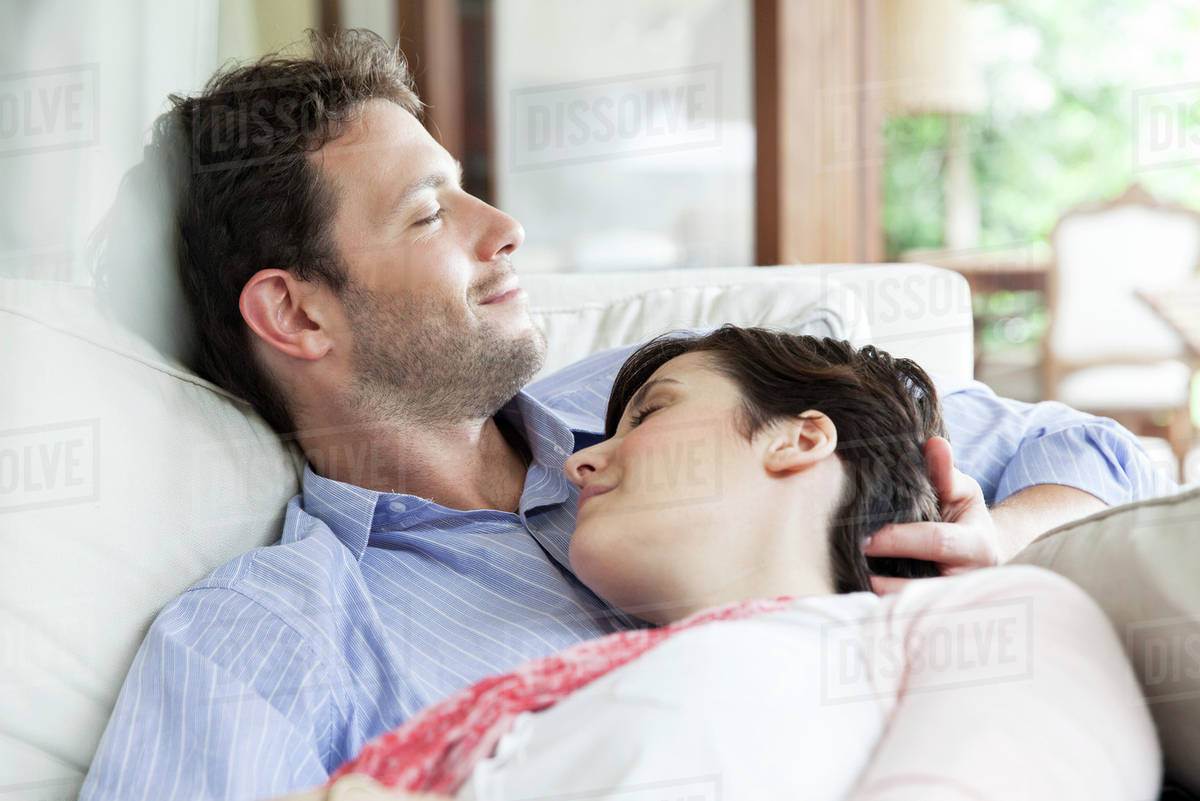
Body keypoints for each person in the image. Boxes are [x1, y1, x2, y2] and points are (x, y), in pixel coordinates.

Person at [82, 29, 1165, 801]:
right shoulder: (271, 635)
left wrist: (1003, 540)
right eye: (428, 212)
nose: (505, 227)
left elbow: (1106, 454)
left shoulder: (663, 399)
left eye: (466, 188)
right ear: (296, 313)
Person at [275, 328, 1160, 800]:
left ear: (801, 436)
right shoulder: (529, 700)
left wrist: (999, 547)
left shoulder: (988, 625)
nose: (579, 462)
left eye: (650, 414)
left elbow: (1092, 447)